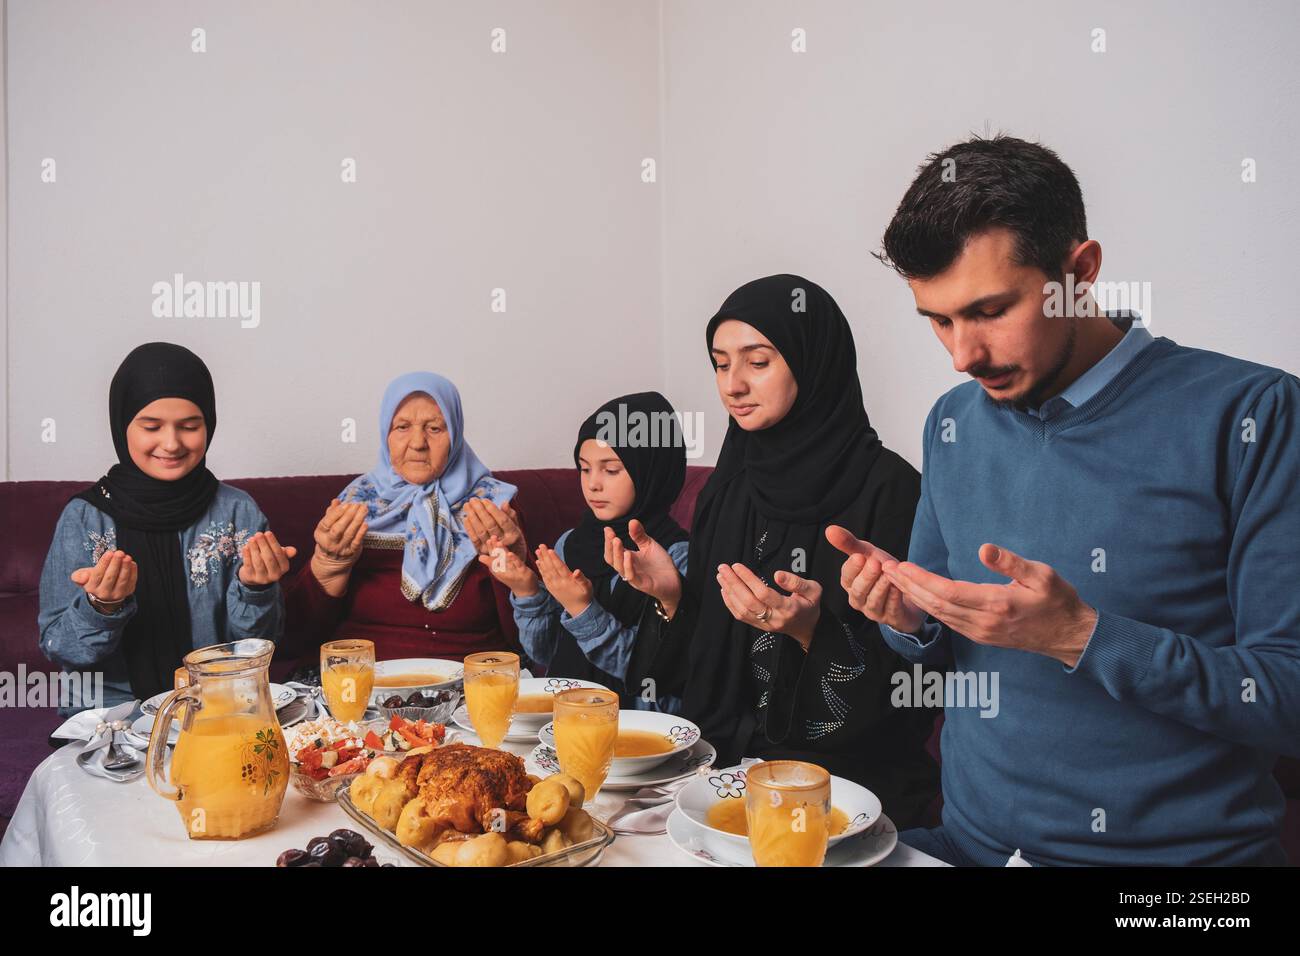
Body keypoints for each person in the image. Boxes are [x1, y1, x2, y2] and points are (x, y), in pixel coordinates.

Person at [835, 134, 1300, 865]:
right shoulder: (953, 422)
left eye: (990, 310)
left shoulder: (1254, 414)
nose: (963, 355)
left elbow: (1288, 693)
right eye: (938, 318)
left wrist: (1082, 637)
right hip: (966, 846)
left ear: (1078, 272)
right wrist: (910, 620)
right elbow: (936, 648)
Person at [611, 275, 940, 827]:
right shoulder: (730, 485)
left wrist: (811, 632)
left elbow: (912, 685)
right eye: (720, 364)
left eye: (757, 362)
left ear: (812, 363)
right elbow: (699, 660)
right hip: (719, 769)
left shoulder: (891, 489)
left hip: (841, 784)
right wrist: (672, 598)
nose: (732, 385)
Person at [38, 342, 293, 711]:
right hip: (108, 717)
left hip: (218, 709)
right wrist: (102, 606)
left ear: (210, 424)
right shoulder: (84, 517)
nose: (171, 443)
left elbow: (259, 647)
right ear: (122, 424)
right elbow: (59, 647)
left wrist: (256, 590)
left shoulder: (238, 511)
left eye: (189, 426)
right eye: (151, 426)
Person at [283, 372, 523, 662]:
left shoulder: (491, 508)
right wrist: (329, 565)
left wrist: (511, 564)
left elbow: (525, 640)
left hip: (470, 679)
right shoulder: (355, 505)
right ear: (386, 433)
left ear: (456, 434)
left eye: (435, 428)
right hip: (363, 678)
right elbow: (298, 639)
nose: (418, 443)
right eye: (402, 427)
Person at [484, 392, 689, 711]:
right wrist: (525, 590)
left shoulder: (676, 557)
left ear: (651, 470)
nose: (593, 484)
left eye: (611, 470)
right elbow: (544, 655)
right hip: (565, 720)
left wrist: (583, 609)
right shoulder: (573, 543)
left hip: (642, 731)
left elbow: (654, 674)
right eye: (584, 468)